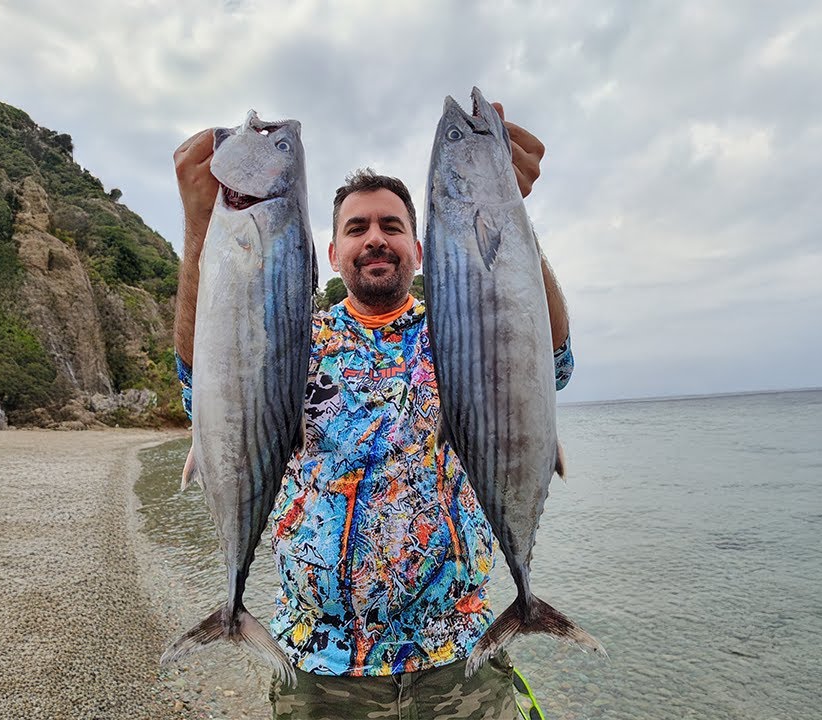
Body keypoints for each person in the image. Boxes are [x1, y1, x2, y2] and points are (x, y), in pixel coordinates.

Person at [171, 102, 572, 720]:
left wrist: (510, 214)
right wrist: (201, 224)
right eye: (357, 228)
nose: (375, 238)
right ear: (333, 253)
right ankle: (231, 607)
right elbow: (203, 389)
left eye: (391, 225)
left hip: (458, 654)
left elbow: (556, 361)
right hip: (321, 667)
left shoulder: (465, 331)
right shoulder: (292, 343)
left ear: (418, 245)